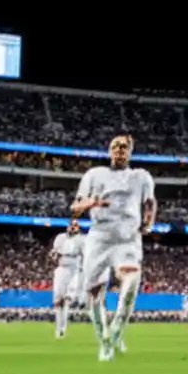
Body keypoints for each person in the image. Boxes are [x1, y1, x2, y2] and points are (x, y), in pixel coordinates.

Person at [71, 135, 157, 361]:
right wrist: (89, 203)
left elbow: (149, 202)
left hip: (128, 236)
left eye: (124, 146)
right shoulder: (94, 175)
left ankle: (118, 327)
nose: (119, 149)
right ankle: (104, 340)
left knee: (132, 280)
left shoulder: (141, 176)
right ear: (109, 150)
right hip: (99, 237)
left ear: (130, 151)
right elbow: (75, 206)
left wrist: (148, 221)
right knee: (94, 293)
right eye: (115, 146)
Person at [50, 220, 85, 339]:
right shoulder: (60, 238)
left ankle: (63, 329)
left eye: (75, 226)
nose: (72, 228)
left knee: (66, 300)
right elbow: (54, 253)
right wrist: (54, 255)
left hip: (74, 270)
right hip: (61, 269)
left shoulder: (81, 240)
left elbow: (85, 254)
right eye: (71, 225)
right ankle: (58, 328)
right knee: (57, 301)